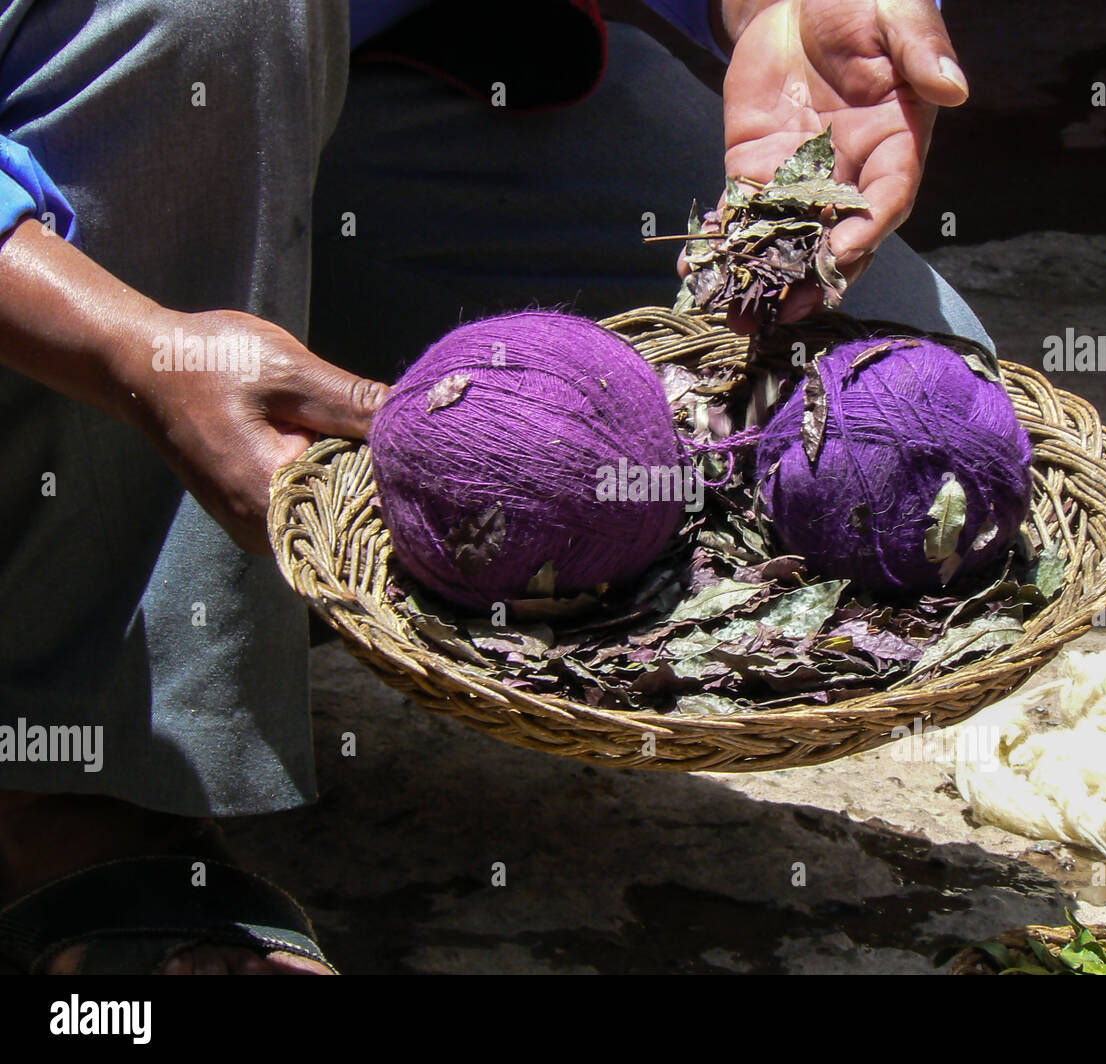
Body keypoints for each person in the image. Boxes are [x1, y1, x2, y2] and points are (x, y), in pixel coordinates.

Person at [0, 0, 978, 974]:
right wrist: (128, 350)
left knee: (893, 410)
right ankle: (71, 794)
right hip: (122, 98)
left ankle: (245, 531)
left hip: (395, 71)